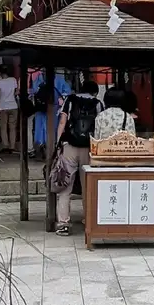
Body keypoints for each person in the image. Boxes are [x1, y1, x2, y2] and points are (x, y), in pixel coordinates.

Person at [53, 77, 101, 234]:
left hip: (70, 146)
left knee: (65, 185)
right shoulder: (98, 103)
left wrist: (58, 142)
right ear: (94, 91)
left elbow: (62, 121)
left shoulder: (70, 100)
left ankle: (63, 224)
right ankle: (89, 220)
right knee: (88, 185)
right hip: (89, 149)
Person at [31, 70, 71, 156]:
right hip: (43, 108)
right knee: (43, 129)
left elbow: (67, 92)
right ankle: (43, 147)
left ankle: (49, 147)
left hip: (53, 108)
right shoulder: (39, 79)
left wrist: (62, 98)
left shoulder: (58, 79)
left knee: (50, 128)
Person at [0, 64, 20, 153]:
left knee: (3, 127)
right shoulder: (13, 80)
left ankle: (5, 145)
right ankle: (12, 147)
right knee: (12, 127)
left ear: (0, 73)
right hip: (13, 106)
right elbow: (17, 92)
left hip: (3, 107)